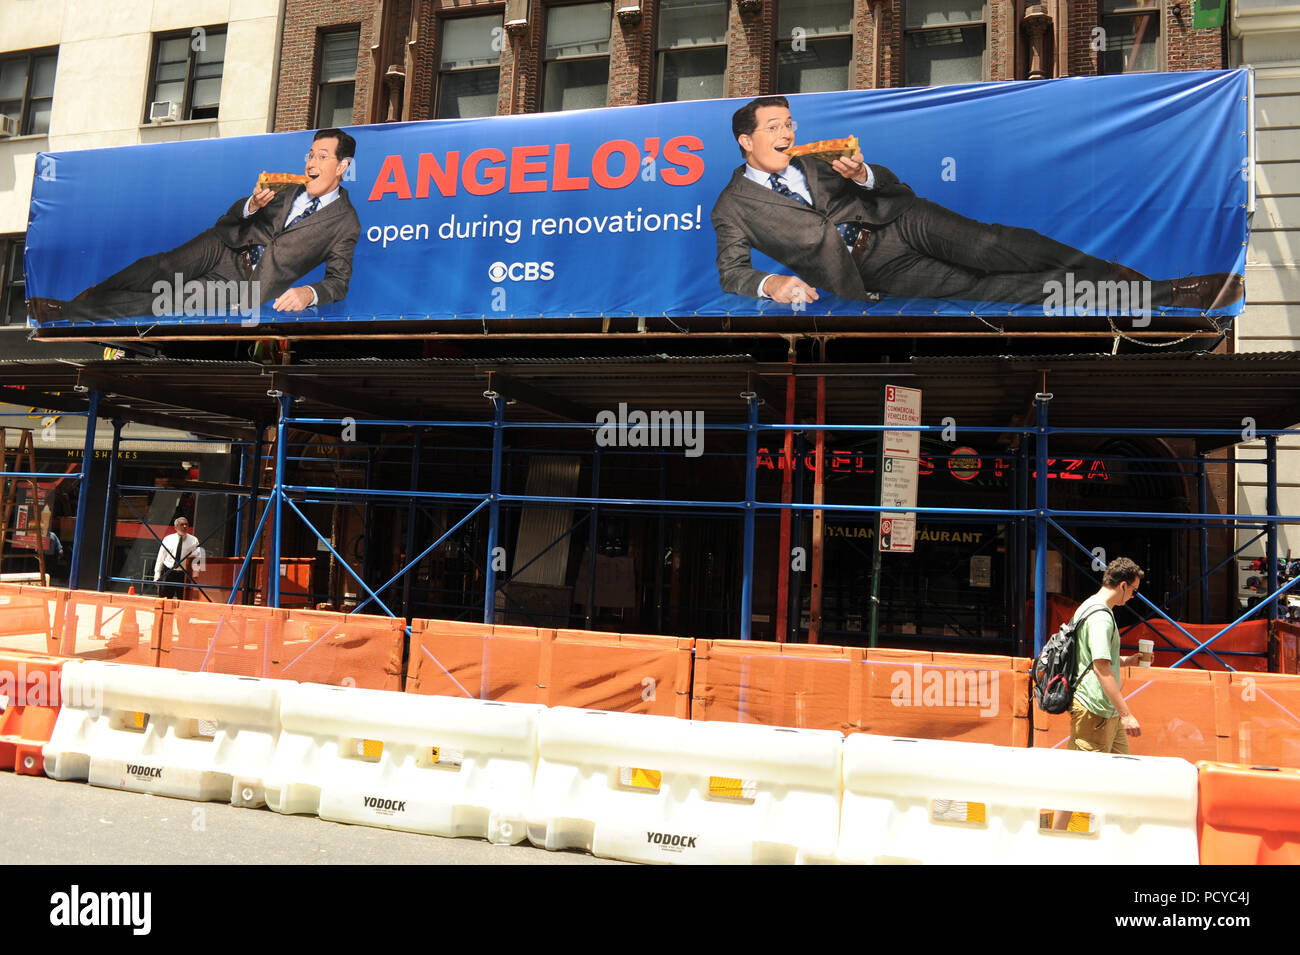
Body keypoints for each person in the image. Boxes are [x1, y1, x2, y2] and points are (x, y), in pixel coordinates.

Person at [711, 96, 1243, 311]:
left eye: (788, 124)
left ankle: (1125, 278)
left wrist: (867, 174)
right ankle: (1162, 295)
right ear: (746, 140)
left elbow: (894, 186)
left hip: (901, 220)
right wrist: (769, 282)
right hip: (869, 267)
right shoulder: (731, 207)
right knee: (999, 289)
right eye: (774, 127)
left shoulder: (818, 158)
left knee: (1000, 246)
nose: (786, 132)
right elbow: (730, 271)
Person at [27, 128, 361, 322]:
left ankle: (68, 310)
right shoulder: (285, 185)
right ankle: (96, 295)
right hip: (223, 244)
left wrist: (309, 293)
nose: (311, 163)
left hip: (247, 285)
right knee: (161, 267)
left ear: (342, 166)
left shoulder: (346, 222)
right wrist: (249, 205)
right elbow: (228, 220)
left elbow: (339, 282)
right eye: (310, 155)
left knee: (164, 299)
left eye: (322, 157)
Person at [153, 516, 199, 598]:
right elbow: (161, 557)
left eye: (186, 524)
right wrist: (157, 574)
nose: (184, 526)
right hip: (169, 572)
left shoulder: (194, 540)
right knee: (164, 599)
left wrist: (195, 576)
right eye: (182, 524)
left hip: (184, 574)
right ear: (176, 527)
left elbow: (198, 558)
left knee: (183, 600)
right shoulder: (168, 539)